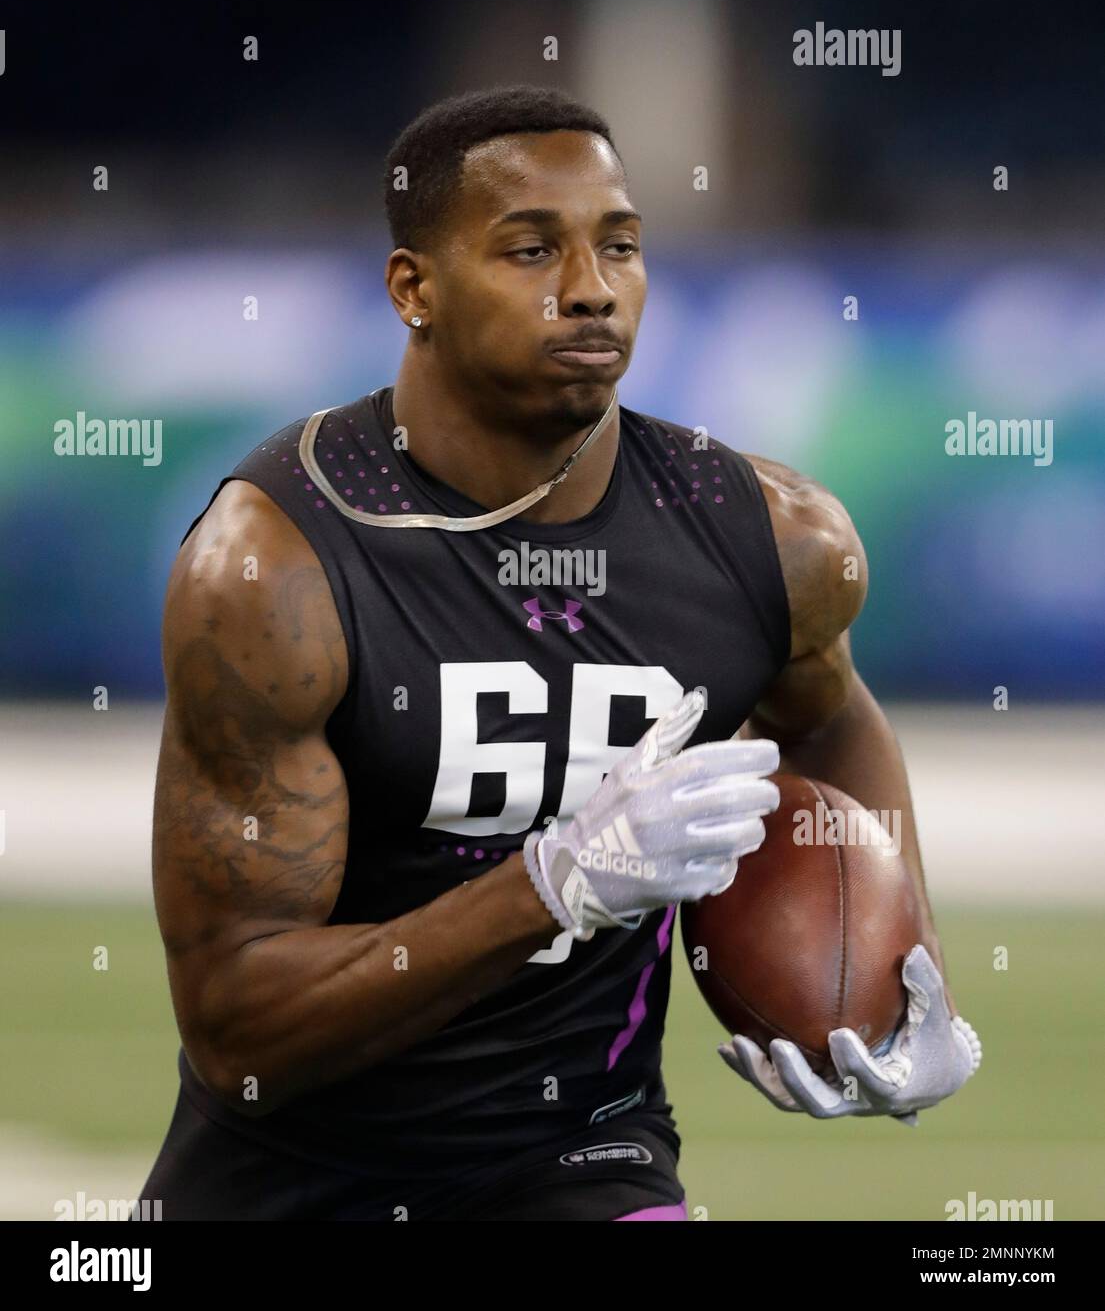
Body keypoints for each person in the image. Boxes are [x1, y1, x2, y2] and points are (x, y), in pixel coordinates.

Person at [137, 85, 980, 1222]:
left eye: (620, 246)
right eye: (531, 248)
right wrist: (550, 884)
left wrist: (896, 959)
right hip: (288, 1171)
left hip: (582, 1152)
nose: (591, 287)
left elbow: (828, 718)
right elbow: (238, 1021)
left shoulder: (769, 540)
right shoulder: (277, 569)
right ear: (413, 289)